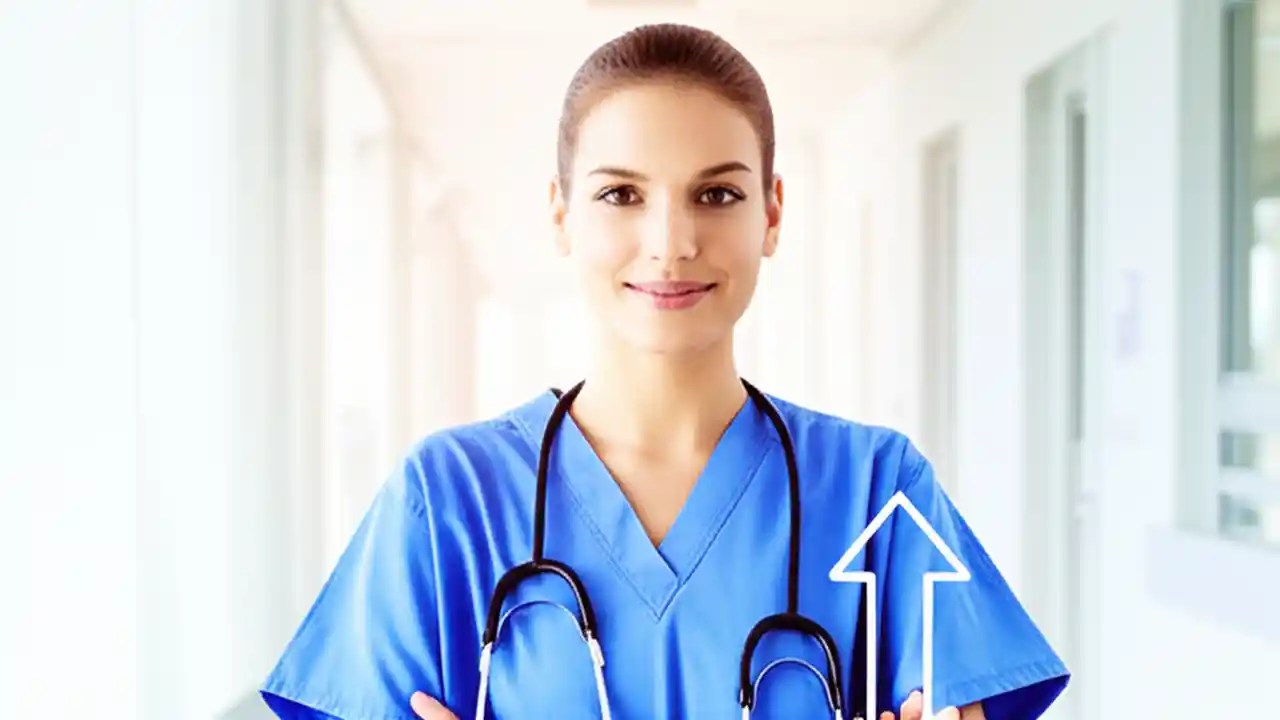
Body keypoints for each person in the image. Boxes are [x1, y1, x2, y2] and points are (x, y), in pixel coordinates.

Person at [260, 22, 1069, 720]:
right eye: (621, 194)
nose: (672, 241)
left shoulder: (877, 492)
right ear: (560, 213)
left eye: (716, 195)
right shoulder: (448, 500)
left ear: (772, 214)